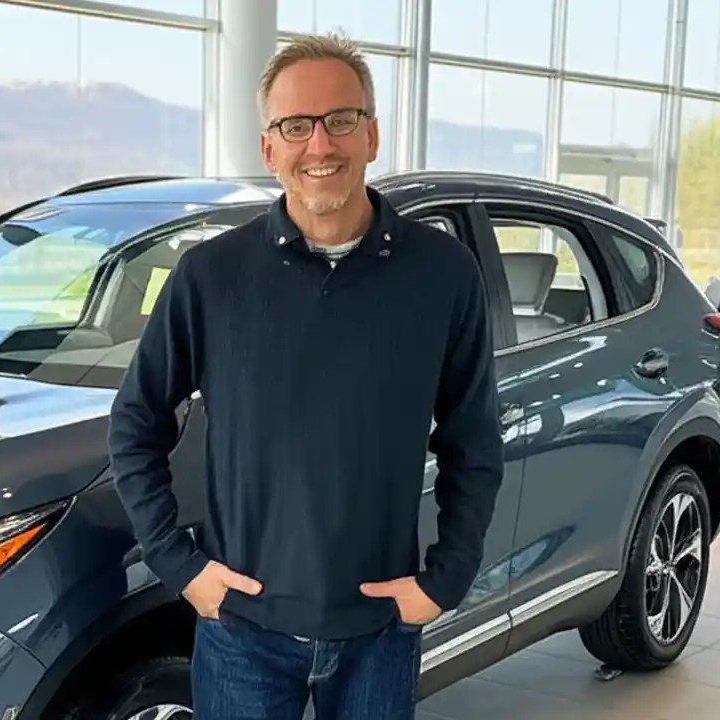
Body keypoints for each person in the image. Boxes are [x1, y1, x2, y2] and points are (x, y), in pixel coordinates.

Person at [107, 32, 505, 719]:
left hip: (379, 632)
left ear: (372, 134)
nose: (320, 146)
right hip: (241, 634)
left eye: (340, 120)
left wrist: (446, 579)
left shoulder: (442, 276)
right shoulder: (212, 277)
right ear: (270, 147)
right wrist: (182, 567)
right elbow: (134, 424)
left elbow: (475, 441)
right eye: (296, 125)